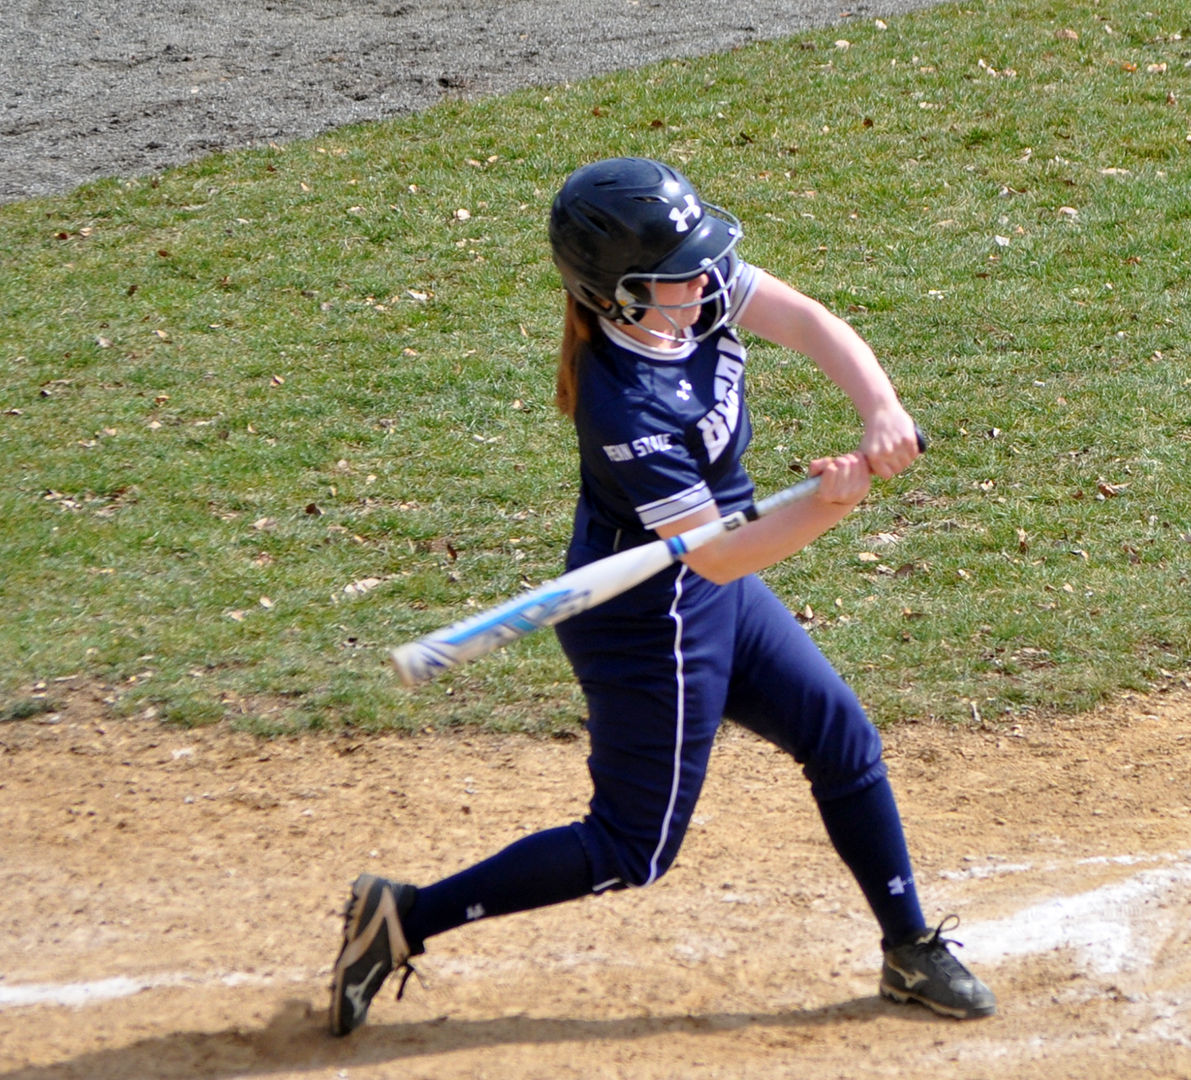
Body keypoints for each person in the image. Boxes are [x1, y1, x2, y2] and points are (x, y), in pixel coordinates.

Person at [327, 156, 994, 1035]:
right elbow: (720, 557)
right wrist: (836, 505)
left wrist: (878, 406)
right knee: (628, 850)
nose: (702, 280)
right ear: (615, 296)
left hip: (703, 584)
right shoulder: (626, 408)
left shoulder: (688, 291)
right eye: (675, 273)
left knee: (840, 736)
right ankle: (402, 916)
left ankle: (908, 945)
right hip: (649, 623)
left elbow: (807, 321)